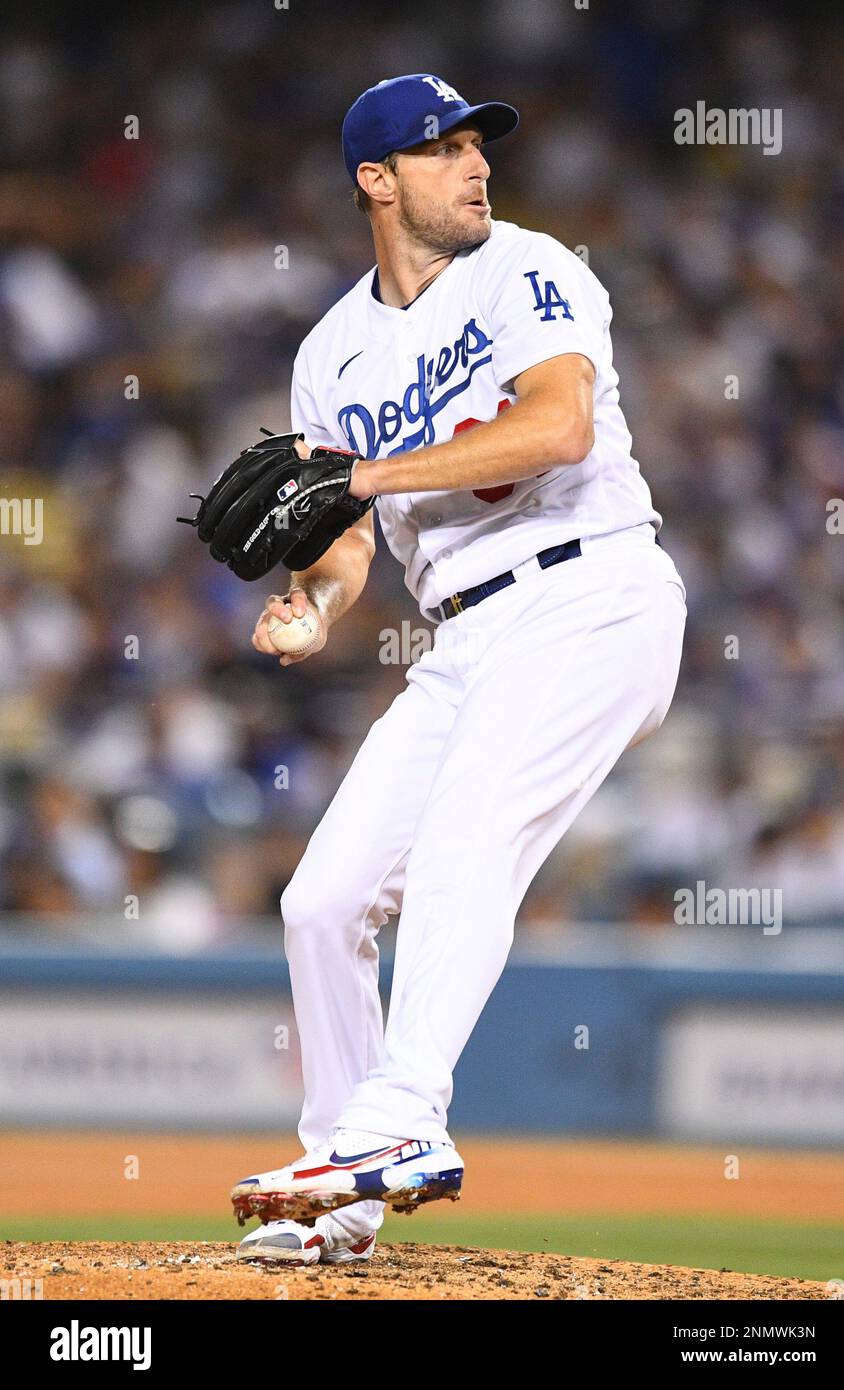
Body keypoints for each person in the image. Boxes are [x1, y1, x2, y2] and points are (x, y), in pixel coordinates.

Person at [231, 73, 687, 1265]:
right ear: (376, 181)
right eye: (439, 148)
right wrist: (315, 604)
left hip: (591, 593)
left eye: (476, 142)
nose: (473, 161)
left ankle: (401, 1120)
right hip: (463, 639)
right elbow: (341, 543)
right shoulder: (331, 352)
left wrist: (364, 480)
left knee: (464, 841)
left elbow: (558, 428)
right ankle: (342, 1186)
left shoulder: (524, 268)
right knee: (320, 901)